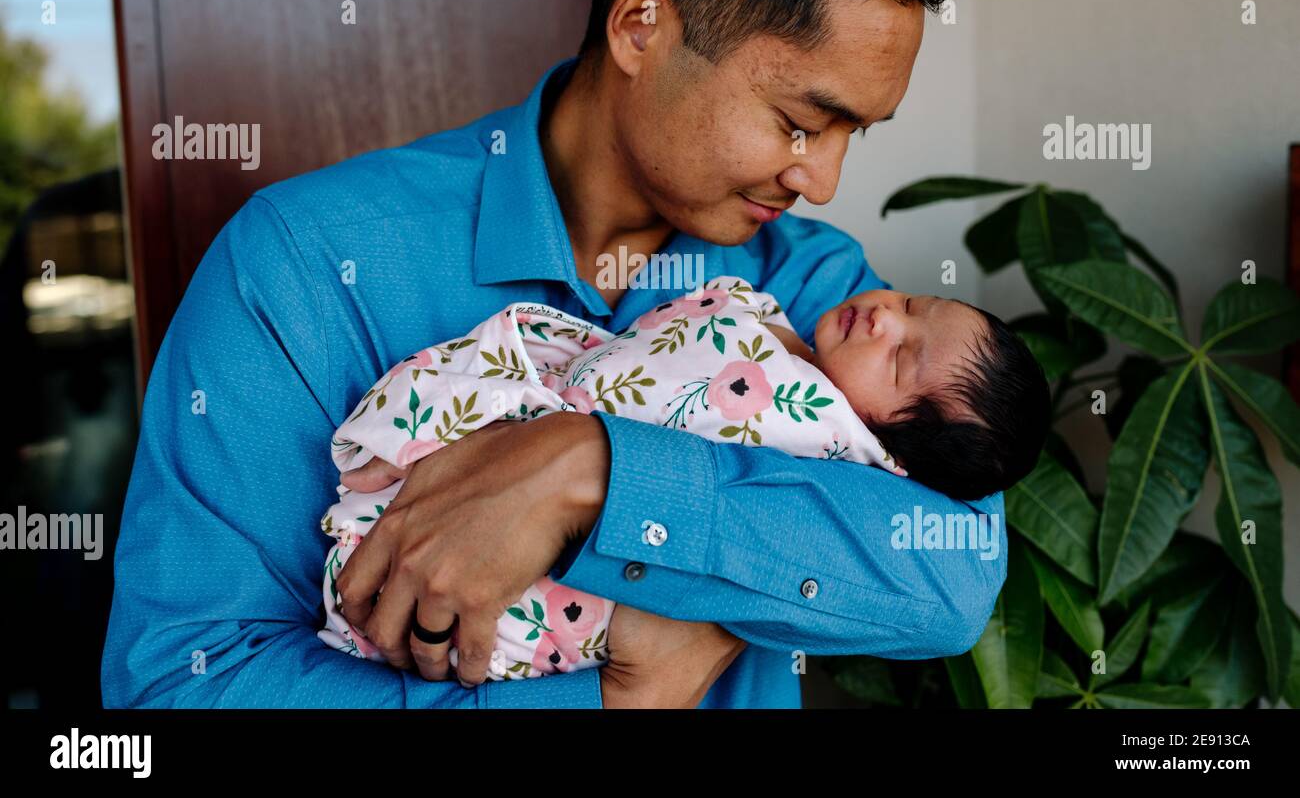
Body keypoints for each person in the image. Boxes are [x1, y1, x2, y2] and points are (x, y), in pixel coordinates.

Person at [103, 0, 1006, 709]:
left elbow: (957, 575)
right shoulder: (304, 269)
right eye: (800, 120)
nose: (823, 181)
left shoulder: (814, 291)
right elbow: (183, 684)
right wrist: (610, 702)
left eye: (859, 133)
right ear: (640, 25)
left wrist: (594, 473)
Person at [313, 274, 1048, 680]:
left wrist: (595, 468)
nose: (886, 315)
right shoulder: (314, 251)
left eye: (901, 360)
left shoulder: (829, 417)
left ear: (895, 449)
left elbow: (958, 585)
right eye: (914, 303)